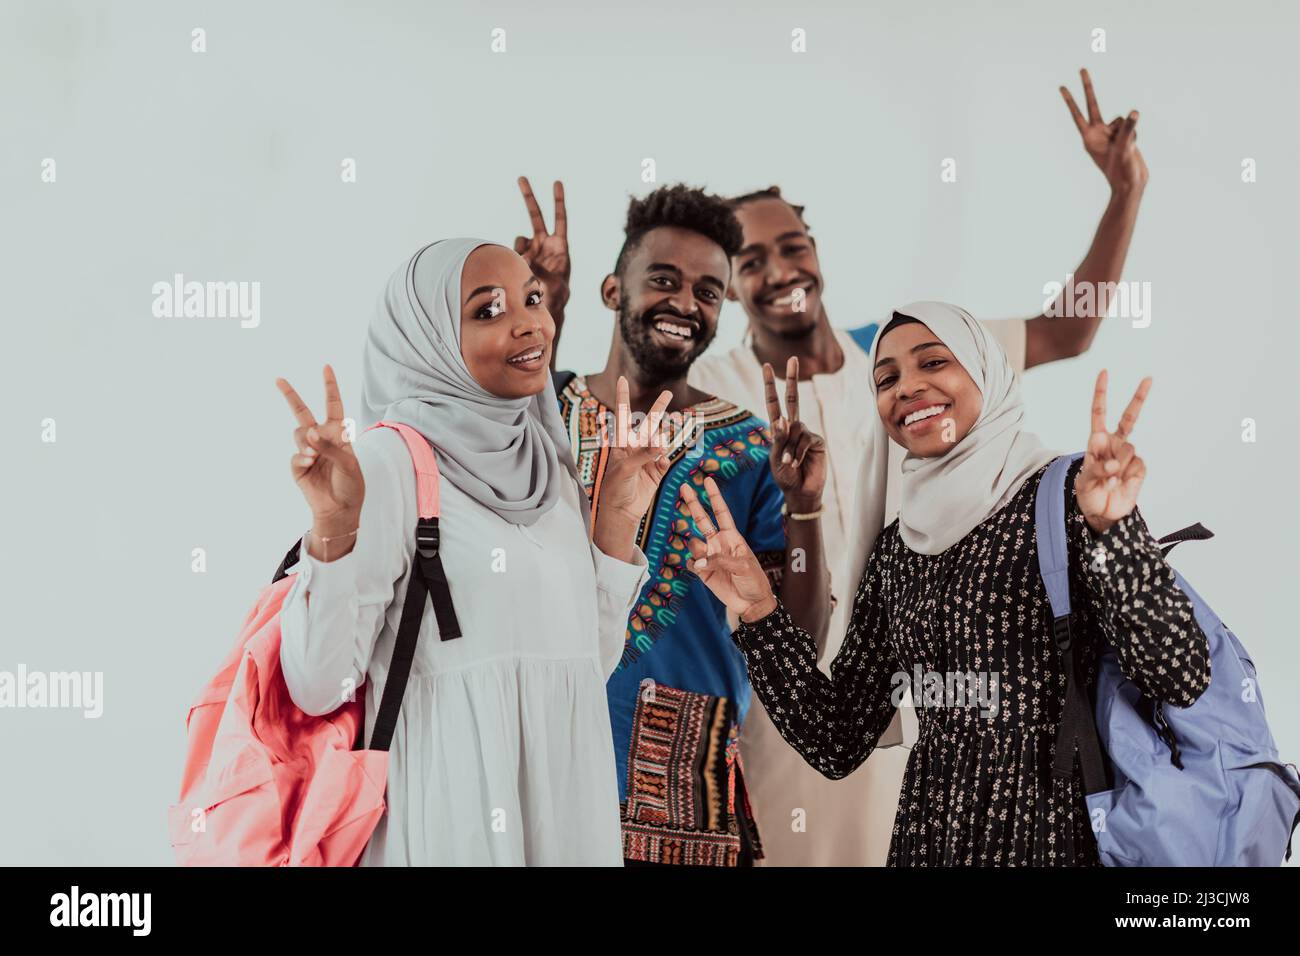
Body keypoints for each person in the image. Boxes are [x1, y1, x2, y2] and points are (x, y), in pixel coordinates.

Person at [684, 68, 1150, 867]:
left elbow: (1067, 333)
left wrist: (1123, 193)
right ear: (728, 285)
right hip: (788, 705)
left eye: (791, 245)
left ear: (816, 250)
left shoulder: (907, 360)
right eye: (749, 260)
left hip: (915, 710)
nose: (779, 270)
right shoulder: (721, 388)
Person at [682, 301, 1210, 866]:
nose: (907, 386)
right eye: (886, 379)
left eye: (933, 363)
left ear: (985, 370)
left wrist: (1114, 531)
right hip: (932, 844)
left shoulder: (1067, 498)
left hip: (1058, 840)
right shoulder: (898, 550)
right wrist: (759, 608)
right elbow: (837, 738)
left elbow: (1179, 675)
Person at [273, 238, 680, 865]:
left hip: (569, 815)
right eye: (486, 310)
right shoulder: (390, 465)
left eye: (532, 299)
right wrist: (333, 525)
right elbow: (321, 684)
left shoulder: (548, 465)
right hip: (453, 820)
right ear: (427, 341)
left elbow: (585, 665)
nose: (528, 323)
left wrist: (617, 523)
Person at [549, 183, 833, 865]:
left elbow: (796, 647)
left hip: (675, 796)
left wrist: (805, 509)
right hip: (531, 766)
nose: (685, 304)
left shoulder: (752, 453)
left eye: (709, 291)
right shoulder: (540, 415)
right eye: (664, 280)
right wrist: (542, 309)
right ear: (613, 290)